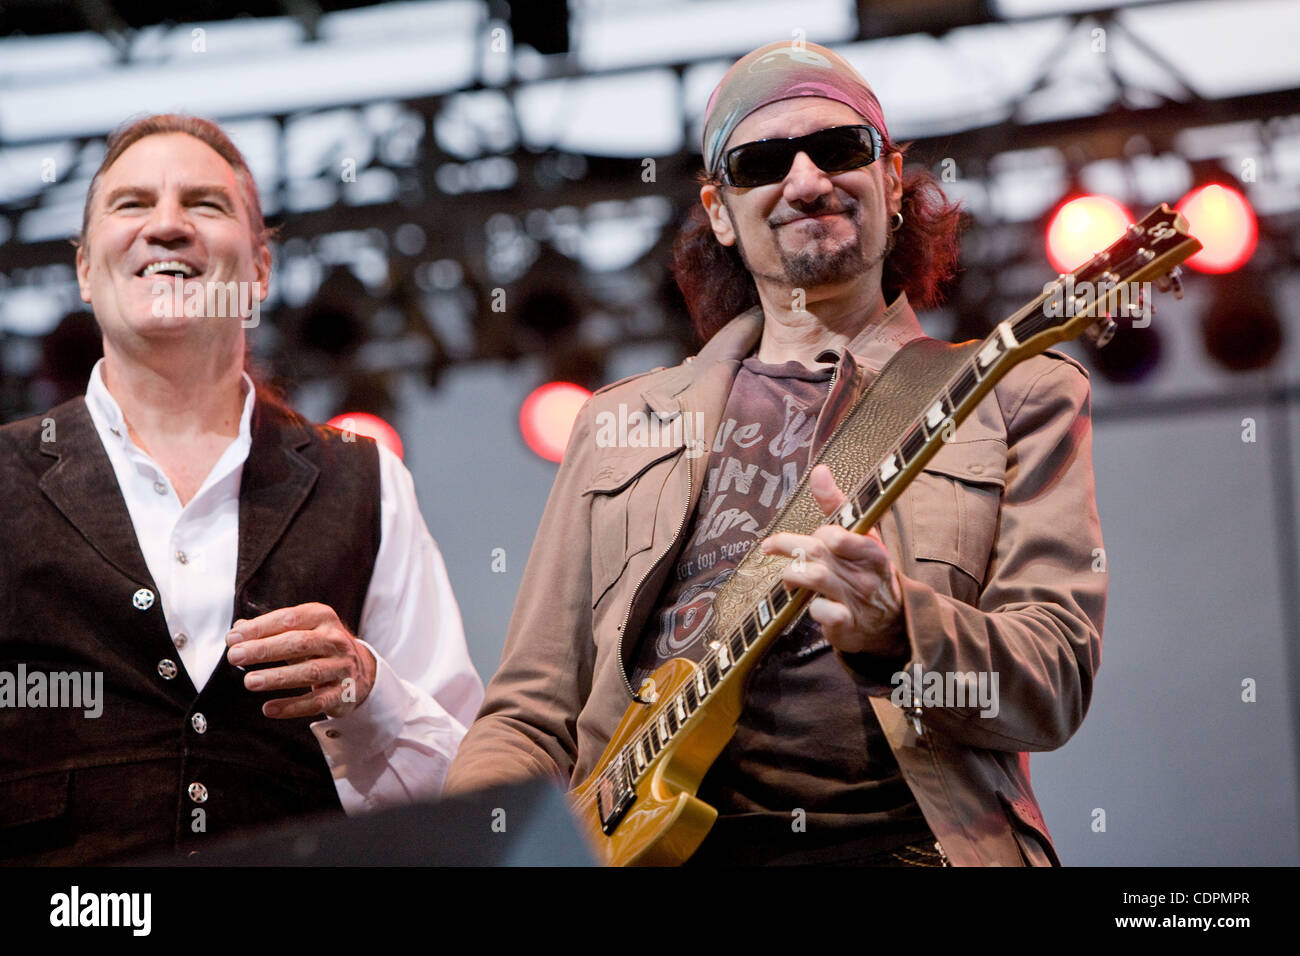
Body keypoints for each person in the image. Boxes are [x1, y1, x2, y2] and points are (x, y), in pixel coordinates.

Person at [444, 41, 1105, 866]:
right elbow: (531, 716)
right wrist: (474, 839)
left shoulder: (1012, 392)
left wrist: (902, 630)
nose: (805, 181)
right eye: (761, 163)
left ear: (892, 181)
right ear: (719, 210)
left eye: (837, 150)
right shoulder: (623, 420)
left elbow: (1053, 679)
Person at [0, 114, 483, 864]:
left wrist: (370, 686)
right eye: (131, 204)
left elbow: (466, 796)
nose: (166, 226)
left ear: (259, 269)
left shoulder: (364, 479)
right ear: (85, 270)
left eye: (205, 204)